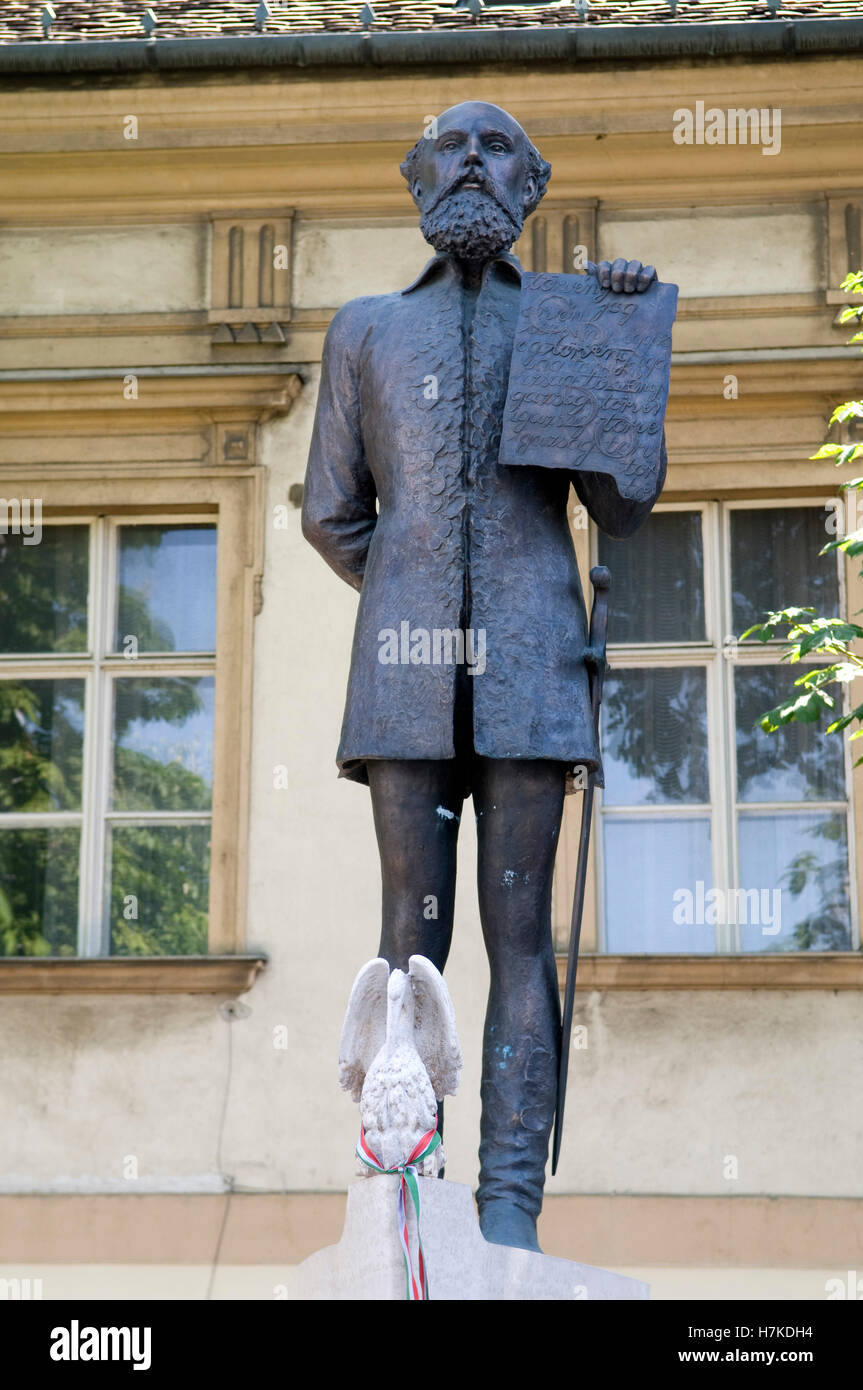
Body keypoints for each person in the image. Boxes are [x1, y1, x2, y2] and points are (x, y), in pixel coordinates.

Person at [303, 101, 664, 1252]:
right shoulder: (362, 331)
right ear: (414, 177)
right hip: (406, 675)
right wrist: (414, 592)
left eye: (495, 146)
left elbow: (624, 502)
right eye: (448, 147)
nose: (469, 162)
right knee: (408, 935)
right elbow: (329, 514)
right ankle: (403, 1184)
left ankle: (508, 1210)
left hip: (533, 663)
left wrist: (619, 349)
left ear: (533, 183)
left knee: (520, 933)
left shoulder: (568, 324)